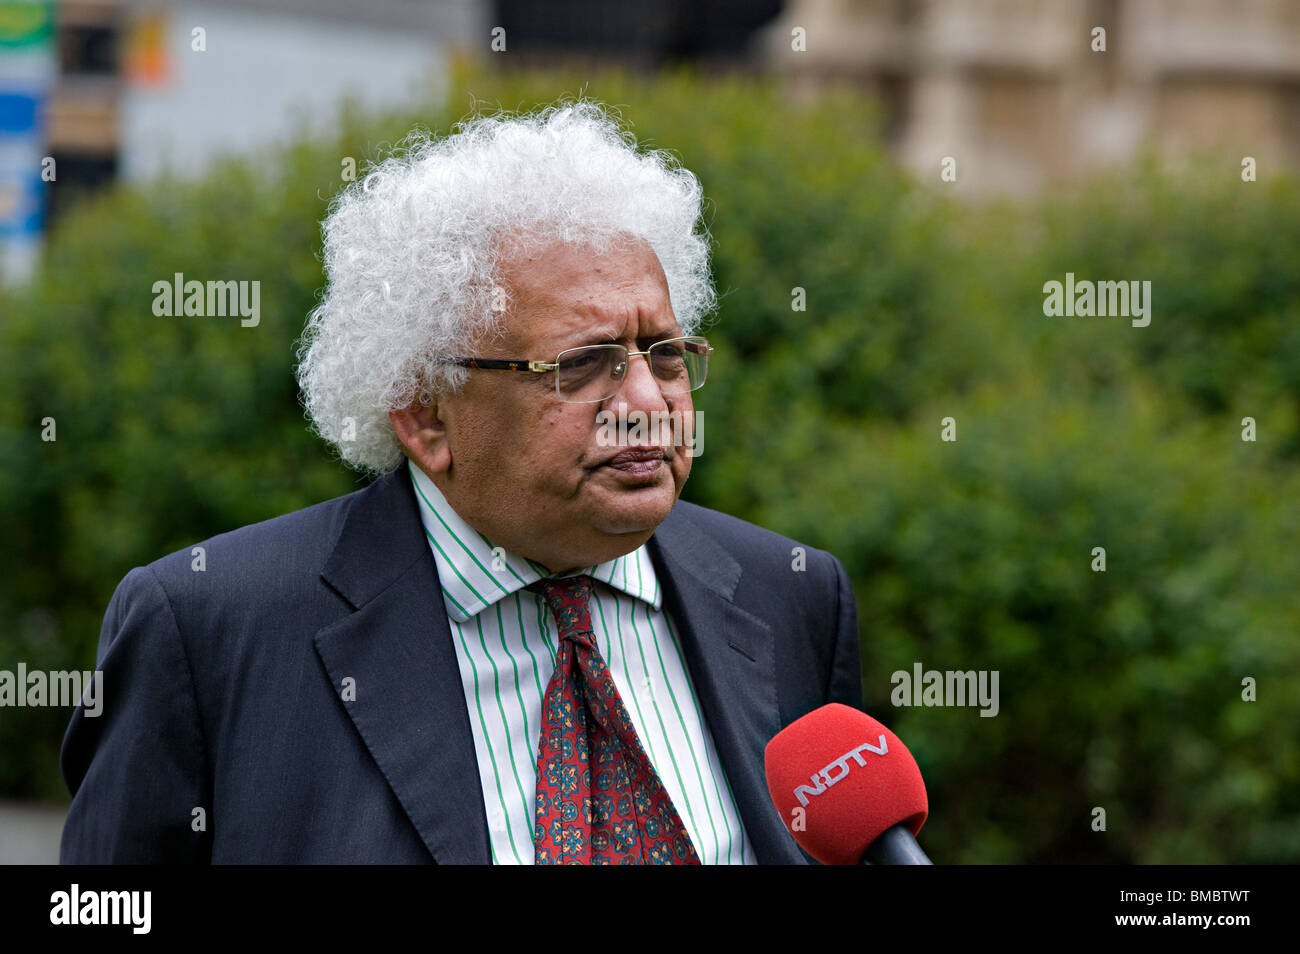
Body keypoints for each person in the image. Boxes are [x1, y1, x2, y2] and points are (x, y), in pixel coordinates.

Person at [59, 101, 863, 864]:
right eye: (584, 363)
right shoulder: (209, 629)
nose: (649, 404)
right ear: (427, 417)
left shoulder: (790, 597)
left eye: (664, 353)